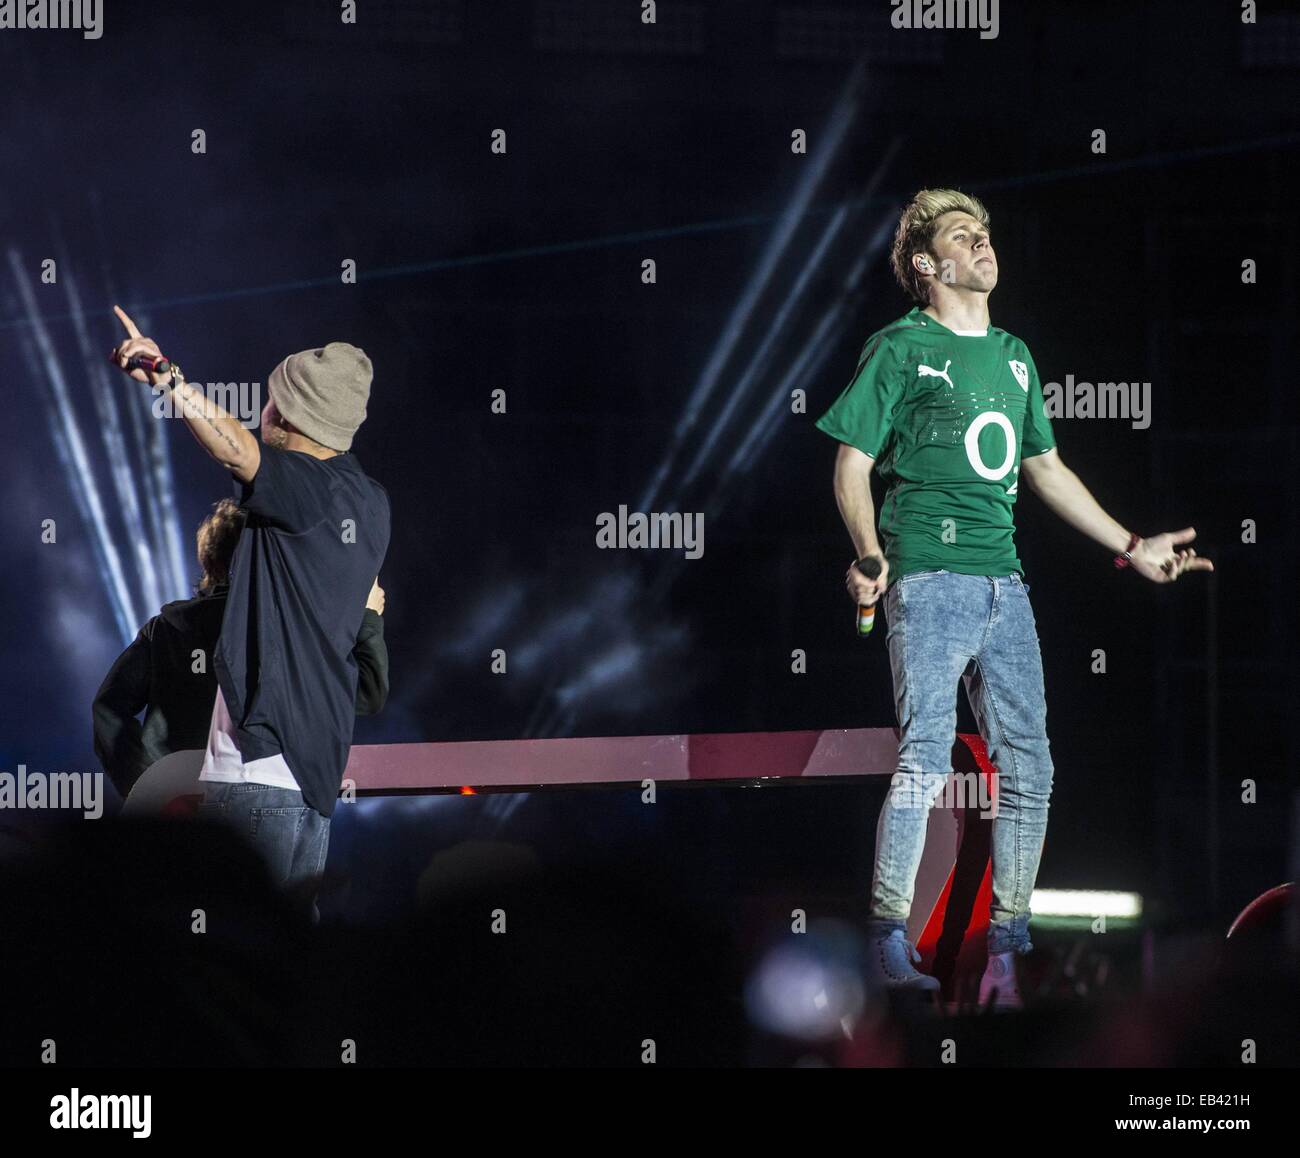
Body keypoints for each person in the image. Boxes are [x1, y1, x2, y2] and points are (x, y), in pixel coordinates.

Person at [816, 189, 1212, 1007]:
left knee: (1032, 765)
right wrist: (869, 552)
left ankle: (1005, 950)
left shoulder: (1016, 356)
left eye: (987, 232)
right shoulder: (899, 347)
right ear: (930, 265)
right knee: (926, 754)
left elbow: (1047, 470)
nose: (984, 245)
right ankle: (887, 938)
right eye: (965, 236)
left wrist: (1133, 546)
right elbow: (851, 464)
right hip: (928, 576)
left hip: (1006, 583)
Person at [111, 309, 391, 905]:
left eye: (268, 401)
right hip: (312, 775)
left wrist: (165, 375)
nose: (259, 412)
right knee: (282, 959)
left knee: (228, 957)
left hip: (256, 773)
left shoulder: (301, 486)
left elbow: (236, 451)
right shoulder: (370, 502)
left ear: (287, 415)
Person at [92, 498, 389, 800]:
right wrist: (368, 618)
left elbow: (108, 709)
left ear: (210, 560)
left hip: (172, 802)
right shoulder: (288, 629)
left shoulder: (164, 631)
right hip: (264, 797)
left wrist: (144, 784)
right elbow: (366, 695)